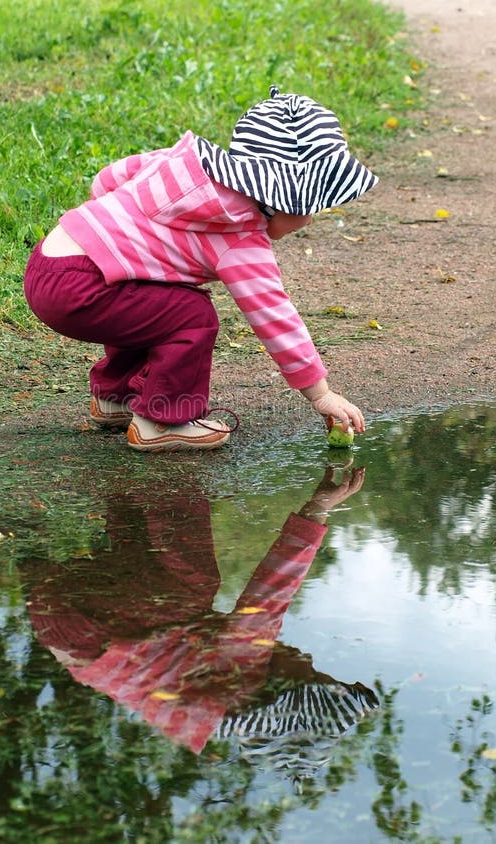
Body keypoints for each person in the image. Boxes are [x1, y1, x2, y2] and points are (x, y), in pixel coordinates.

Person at [23, 86, 378, 452]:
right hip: (78, 290)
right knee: (193, 315)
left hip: (47, 263)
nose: (310, 218)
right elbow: (275, 318)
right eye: (313, 205)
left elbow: (107, 179)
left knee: (156, 299)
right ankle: (162, 420)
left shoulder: (181, 162)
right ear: (286, 198)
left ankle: (116, 396)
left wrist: (125, 240)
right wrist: (320, 394)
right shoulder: (239, 235)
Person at [26, 463, 377, 779]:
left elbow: (270, 595)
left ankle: (174, 479)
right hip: (60, 622)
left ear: (284, 693)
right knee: (175, 603)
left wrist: (316, 511)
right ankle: (128, 485)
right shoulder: (202, 712)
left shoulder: (243, 676)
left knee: (194, 585)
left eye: (311, 673)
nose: (308, 659)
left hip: (85, 617)